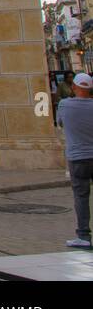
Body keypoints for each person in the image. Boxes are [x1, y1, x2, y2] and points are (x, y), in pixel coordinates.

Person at [56, 72, 93, 248]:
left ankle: (84, 236)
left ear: (74, 87)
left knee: (81, 196)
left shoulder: (64, 105)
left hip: (78, 158)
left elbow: (60, 123)